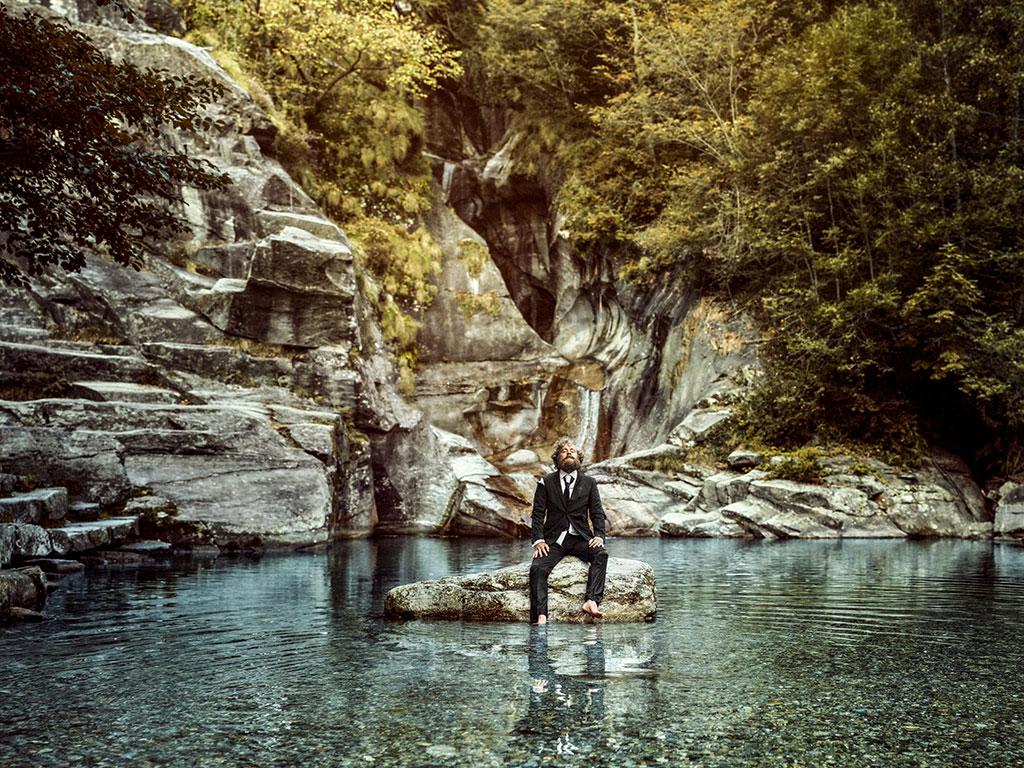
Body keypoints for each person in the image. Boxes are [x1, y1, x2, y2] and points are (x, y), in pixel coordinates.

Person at [529, 437, 608, 624]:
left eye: (572, 450)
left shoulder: (589, 482)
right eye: (564, 451)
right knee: (537, 568)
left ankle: (591, 601)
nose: (569, 452)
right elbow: (538, 514)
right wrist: (538, 540)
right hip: (554, 540)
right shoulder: (546, 482)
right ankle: (541, 615)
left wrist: (599, 536)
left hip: (580, 538)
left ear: (579, 458)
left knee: (601, 555)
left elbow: (597, 512)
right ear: (557, 459)